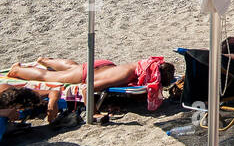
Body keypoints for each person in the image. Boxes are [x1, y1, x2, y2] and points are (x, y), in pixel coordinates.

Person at [6, 57, 175, 94]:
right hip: (90, 74)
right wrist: (93, 112)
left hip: (104, 65)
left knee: (72, 66)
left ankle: (45, 60)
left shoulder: (142, 66)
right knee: (48, 77)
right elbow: (90, 87)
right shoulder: (125, 75)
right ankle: (17, 70)